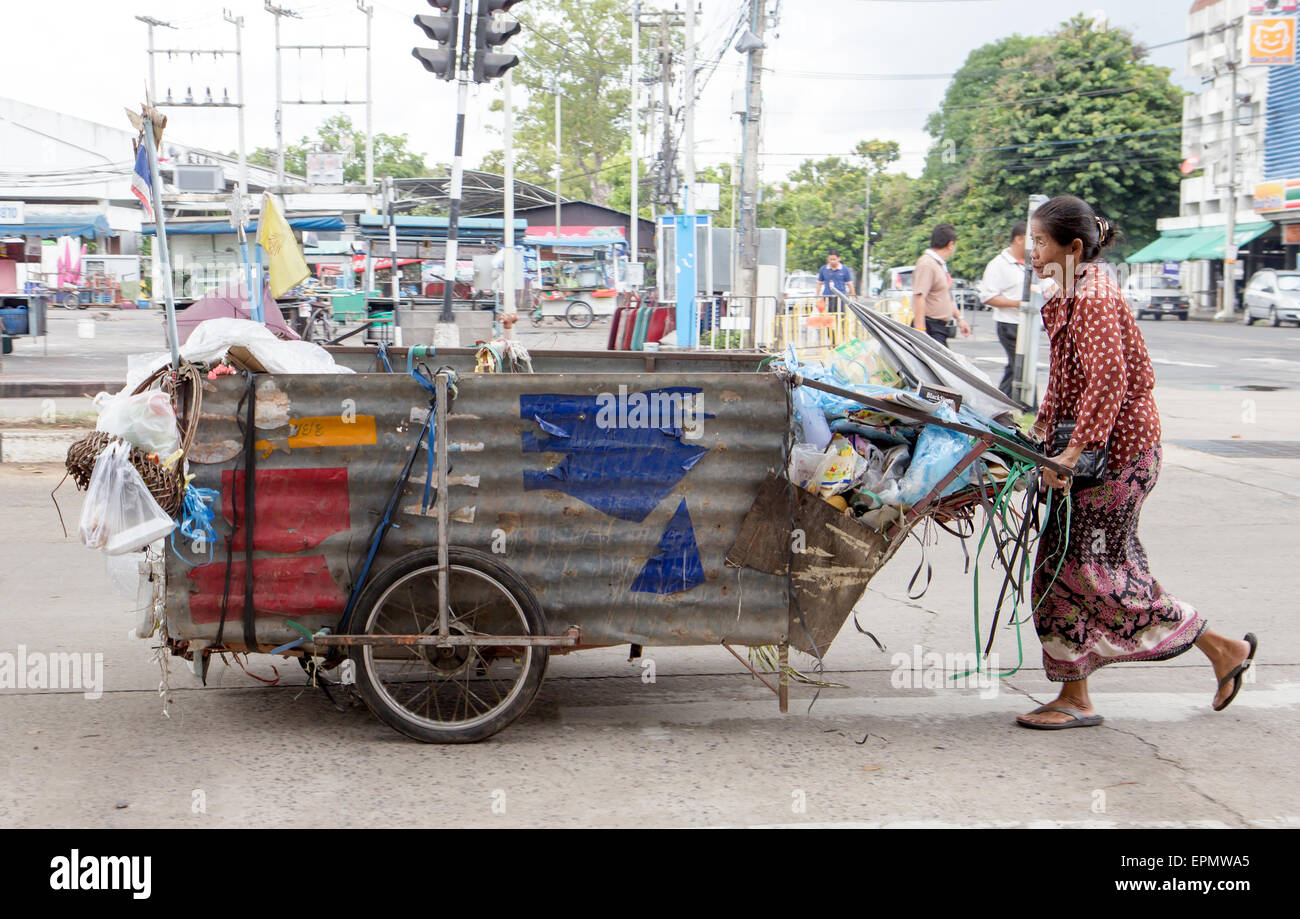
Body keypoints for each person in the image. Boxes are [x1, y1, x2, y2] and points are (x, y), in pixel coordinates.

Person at [1018, 194, 1257, 730]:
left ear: (1073, 247)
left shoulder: (1096, 296)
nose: (1031, 251)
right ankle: (1074, 696)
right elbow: (1062, 384)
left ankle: (1221, 647)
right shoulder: (1068, 294)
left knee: (1093, 572)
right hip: (1089, 455)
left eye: (1040, 241)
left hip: (1117, 458)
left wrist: (1074, 453)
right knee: (1058, 569)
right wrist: (1037, 440)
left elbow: (1110, 381)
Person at [978, 221, 1031, 399]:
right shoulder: (998, 264)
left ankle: (999, 400)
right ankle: (1029, 405)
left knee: (1014, 367)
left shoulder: (1030, 263)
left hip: (1027, 323)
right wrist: (1018, 303)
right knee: (1022, 366)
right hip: (1009, 323)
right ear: (1018, 239)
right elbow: (987, 297)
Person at [911, 223, 971, 347]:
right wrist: (920, 330)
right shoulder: (927, 264)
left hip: (939, 328)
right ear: (950, 244)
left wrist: (959, 319)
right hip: (930, 327)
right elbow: (919, 296)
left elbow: (945, 296)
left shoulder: (939, 265)